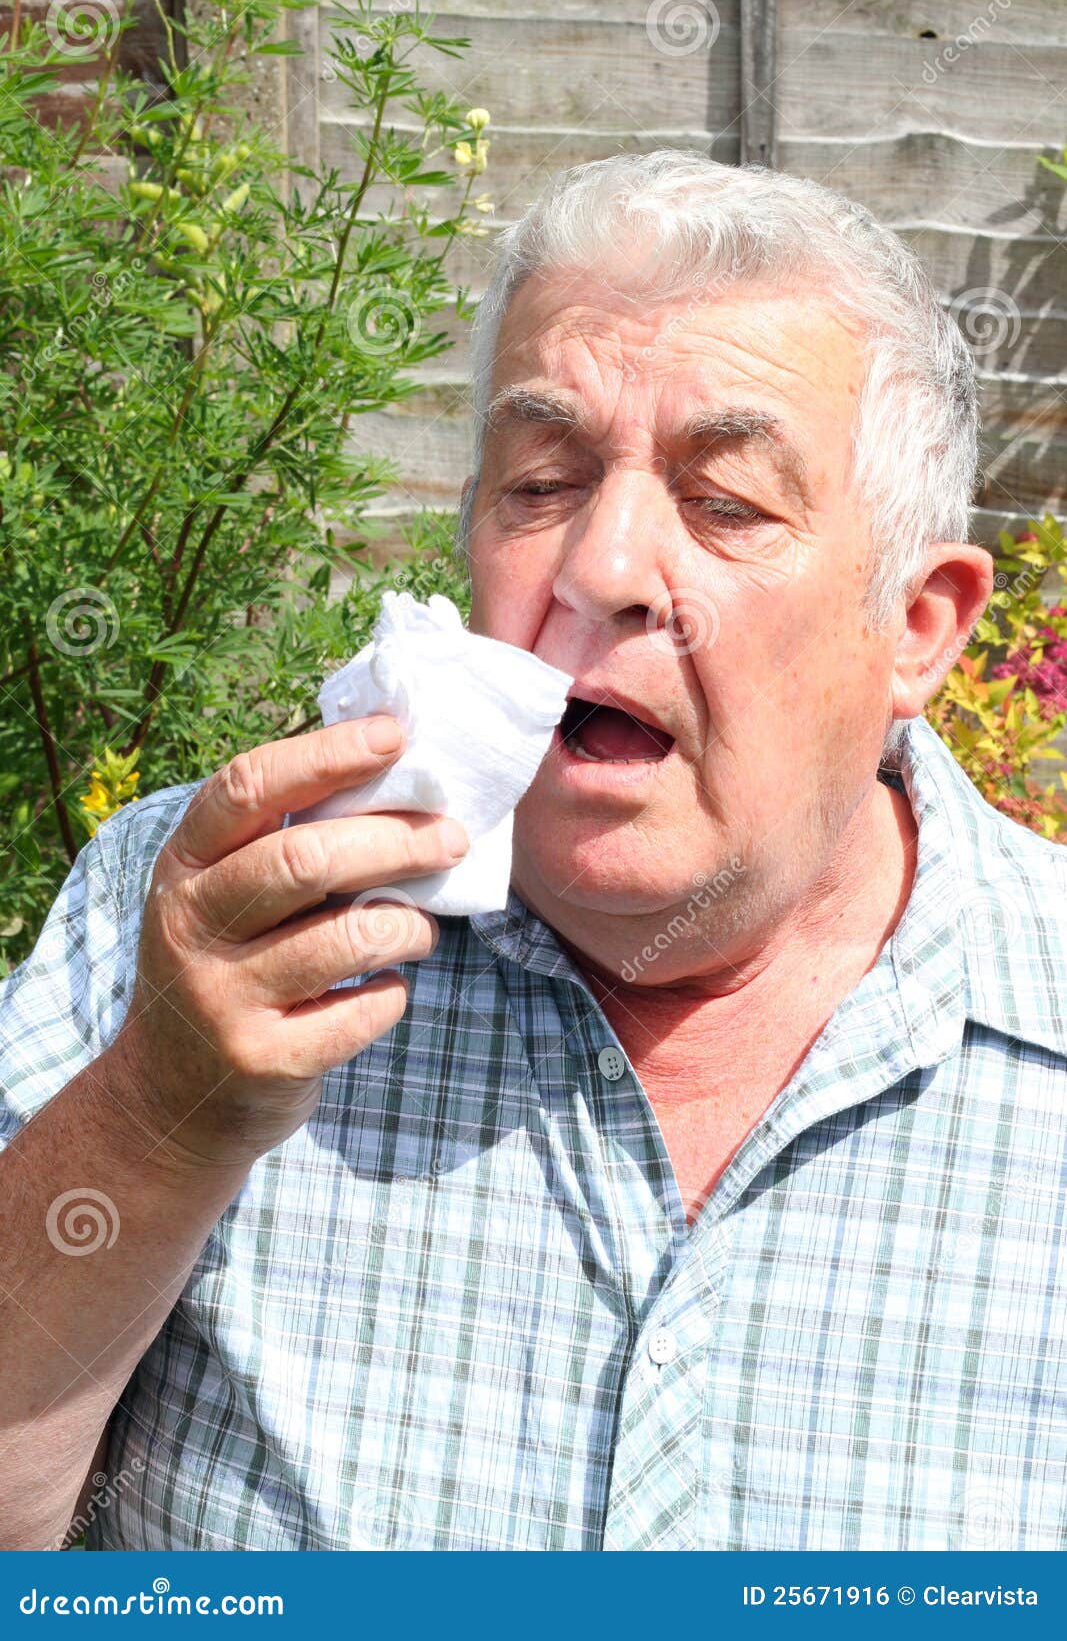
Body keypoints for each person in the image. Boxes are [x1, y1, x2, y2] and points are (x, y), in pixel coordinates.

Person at [2, 153, 1064, 1552]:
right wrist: (157, 1114)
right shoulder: (210, 911)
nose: (600, 565)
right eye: (543, 480)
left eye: (727, 502)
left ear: (919, 624)